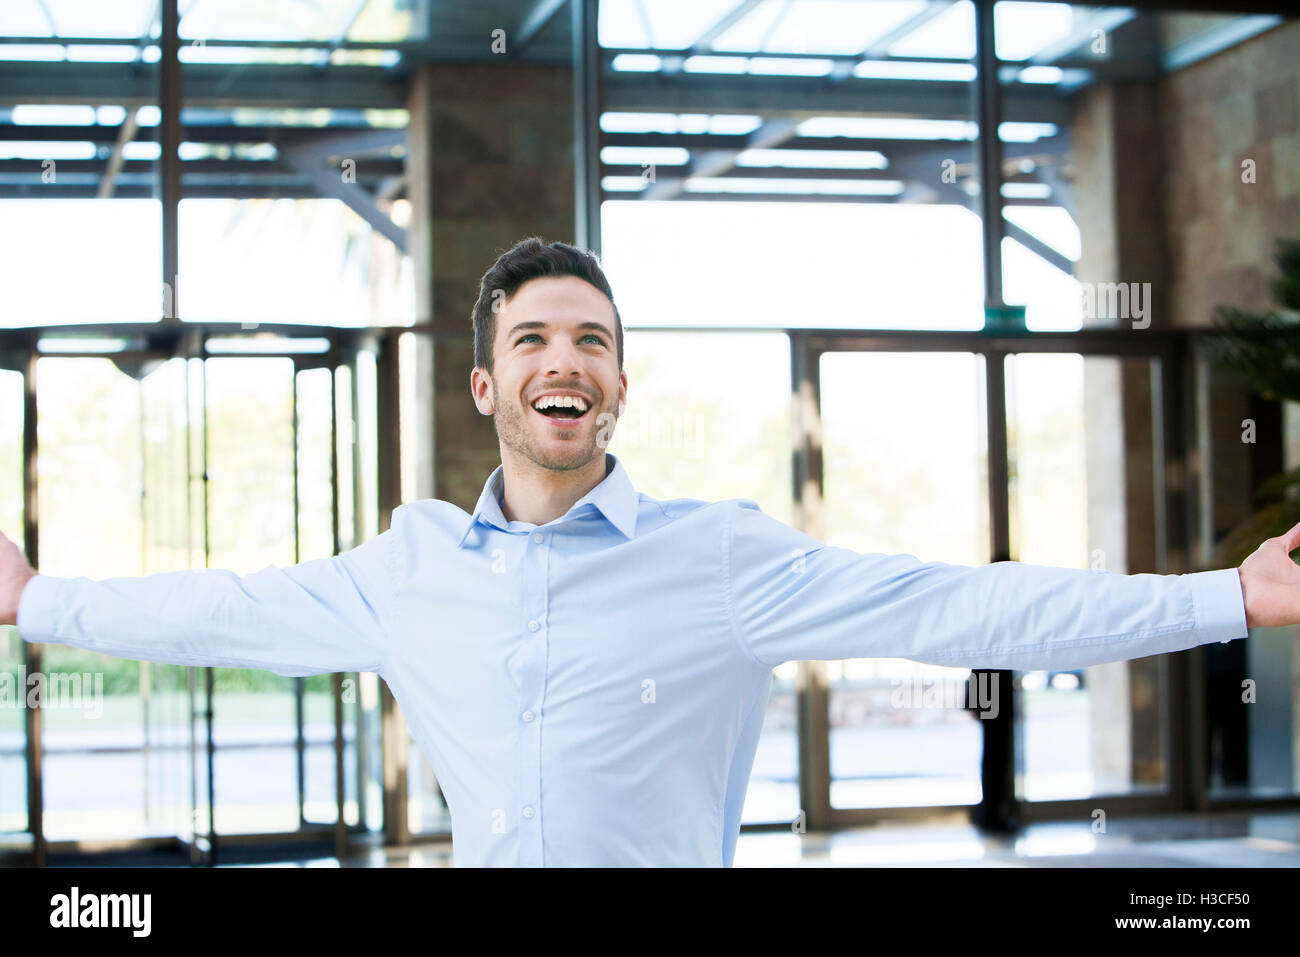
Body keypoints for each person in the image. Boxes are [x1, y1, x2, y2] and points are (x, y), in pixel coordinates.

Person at [3, 237, 1299, 867]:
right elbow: (225, 610)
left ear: (619, 382)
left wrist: (1228, 596)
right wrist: (37, 599)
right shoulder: (406, 572)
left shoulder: (721, 559)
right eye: (530, 339)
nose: (562, 358)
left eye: (591, 340)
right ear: (486, 385)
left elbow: (958, 608)